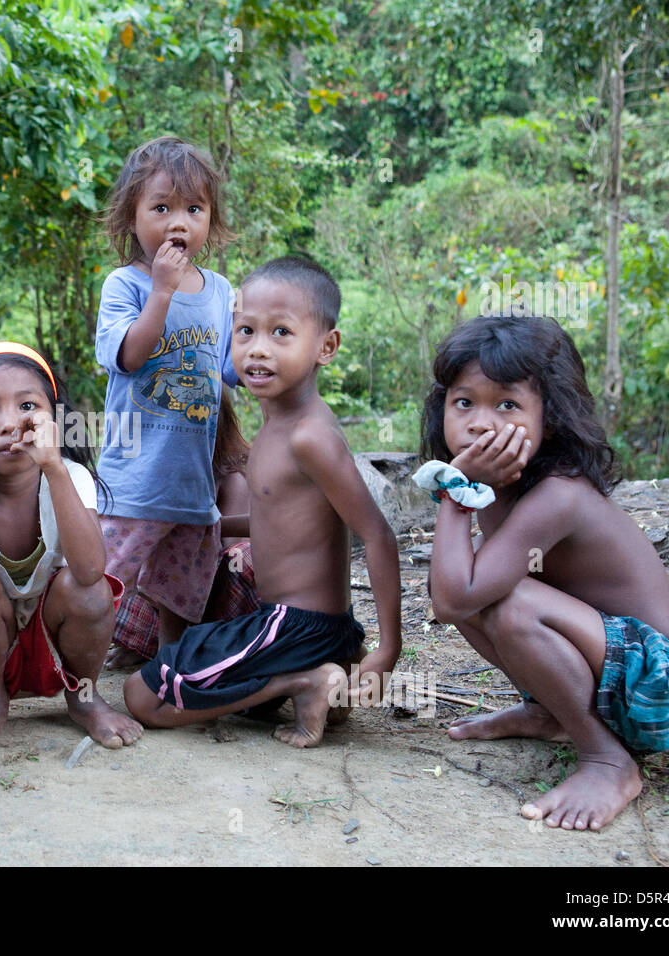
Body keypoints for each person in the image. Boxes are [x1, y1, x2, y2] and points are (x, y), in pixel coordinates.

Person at [419, 312, 669, 831]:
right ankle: (552, 713)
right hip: (611, 669)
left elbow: (453, 602)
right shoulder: (498, 486)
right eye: (463, 402)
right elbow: (452, 595)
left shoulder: (557, 494)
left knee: (504, 602)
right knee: (464, 580)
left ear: (550, 418)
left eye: (507, 404)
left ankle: (608, 760)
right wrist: (464, 490)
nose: (480, 422)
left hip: (664, 685)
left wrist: (456, 494)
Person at [124, 257, 403, 748]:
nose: (258, 349)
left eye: (280, 333)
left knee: (142, 697)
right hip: (310, 629)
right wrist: (213, 525)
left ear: (326, 347)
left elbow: (377, 534)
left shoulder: (310, 437)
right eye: (246, 331)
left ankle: (306, 681)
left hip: (296, 626)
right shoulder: (279, 424)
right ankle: (318, 678)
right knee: (218, 682)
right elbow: (281, 524)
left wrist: (389, 647)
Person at [0, 343, 143, 755]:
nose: (9, 424)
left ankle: (85, 696)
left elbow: (92, 571)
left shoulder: (69, 476)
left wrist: (54, 468)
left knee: (89, 590)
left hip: (59, 649)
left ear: (53, 419)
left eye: (27, 406)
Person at [95, 136, 239, 666]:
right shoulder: (126, 284)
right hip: (133, 481)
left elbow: (231, 369)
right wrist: (162, 291)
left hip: (192, 484)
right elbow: (129, 356)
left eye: (193, 209)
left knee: (181, 593)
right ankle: (74, 672)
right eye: (161, 208)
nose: (178, 222)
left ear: (210, 220)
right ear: (131, 218)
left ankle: (171, 674)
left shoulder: (221, 291)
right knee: (103, 585)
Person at [106, 391, 257, 667]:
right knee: (108, 583)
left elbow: (231, 554)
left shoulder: (232, 475)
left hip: (211, 599)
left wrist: (194, 523)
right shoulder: (158, 475)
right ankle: (154, 646)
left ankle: (180, 650)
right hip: (161, 598)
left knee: (235, 558)